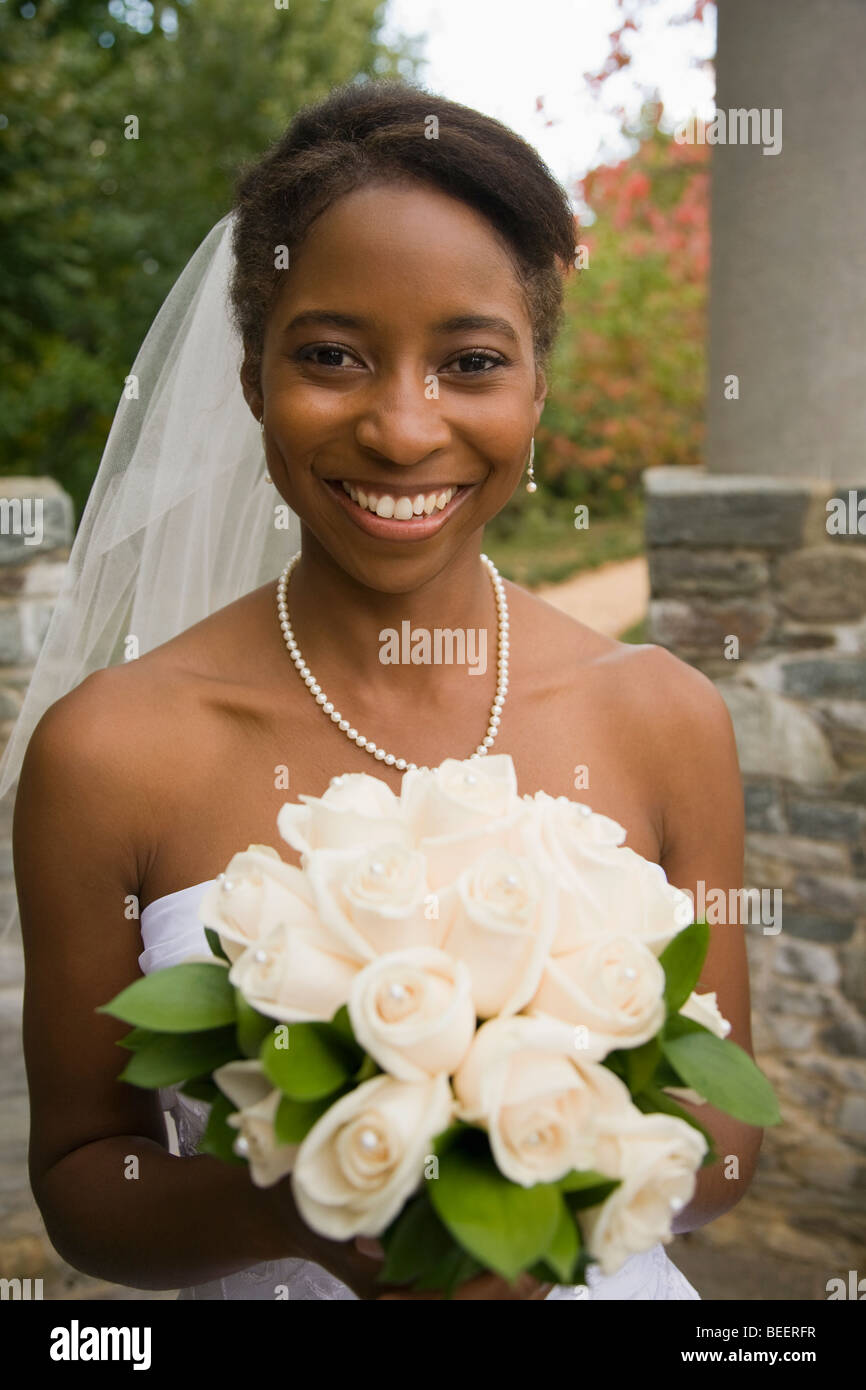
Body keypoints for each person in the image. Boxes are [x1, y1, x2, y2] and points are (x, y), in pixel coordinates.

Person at [6, 79, 761, 1301]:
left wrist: (536, 1202)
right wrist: (321, 1205)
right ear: (252, 377)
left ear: (535, 386)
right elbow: (91, 1179)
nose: (403, 429)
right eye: (331, 357)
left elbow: (723, 1136)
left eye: (468, 361)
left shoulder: (664, 715)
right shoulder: (110, 751)